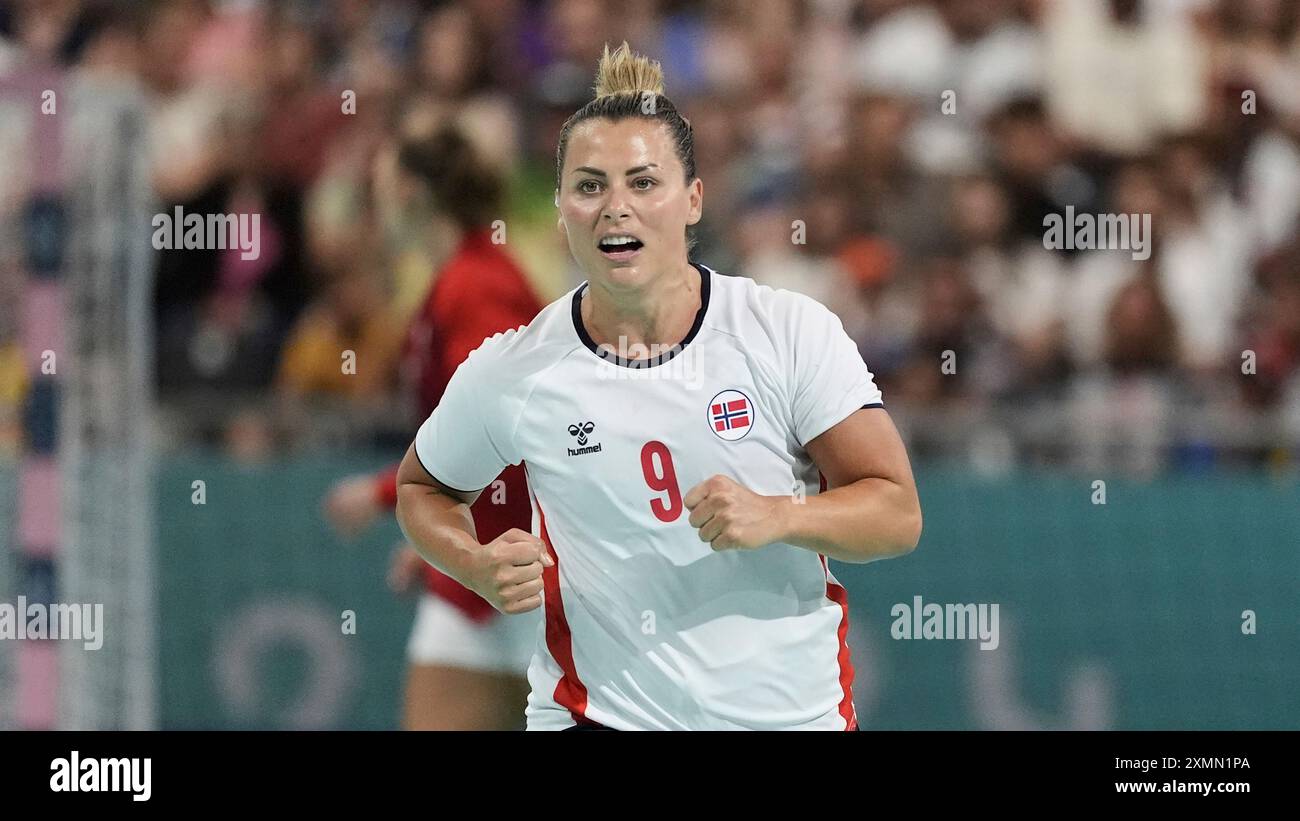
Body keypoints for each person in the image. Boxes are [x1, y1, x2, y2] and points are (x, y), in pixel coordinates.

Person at [394, 44, 922, 731]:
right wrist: (473, 562)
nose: (617, 207)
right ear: (560, 210)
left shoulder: (785, 330)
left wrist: (781, 515)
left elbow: (897, 513)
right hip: (595, 717)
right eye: (589, 187)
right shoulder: (517, 368)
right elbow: (422, 487)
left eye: (644, 183)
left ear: (693, 199)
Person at [323, 126, 543, 730]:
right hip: (494, 570)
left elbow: (502, 430)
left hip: (518, 575)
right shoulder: (462, 277)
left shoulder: (477, 287)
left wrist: (386, 496)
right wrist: (444, 540)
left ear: (413, 194)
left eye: (382, 188)